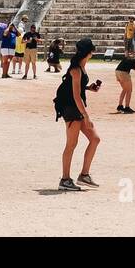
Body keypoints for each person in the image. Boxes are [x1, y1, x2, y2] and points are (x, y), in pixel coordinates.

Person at [56, 38, 102, 191]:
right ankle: (65, 179)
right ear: (89, 52)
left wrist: (89, 88)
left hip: (77, 108)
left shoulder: (81, 67)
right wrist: (86, 116)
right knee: (71, 144)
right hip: (71, 108)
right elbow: (76, 96)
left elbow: (78, 88)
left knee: (95, 139)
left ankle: (84, 175)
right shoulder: (76, 69)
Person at [115, 48, 135, 113]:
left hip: (117, 71)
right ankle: (127, 107)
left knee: (125, 89)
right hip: (124, 73)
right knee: (129, 90)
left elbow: (131, 64)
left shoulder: (131, 56)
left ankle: (120, 106)